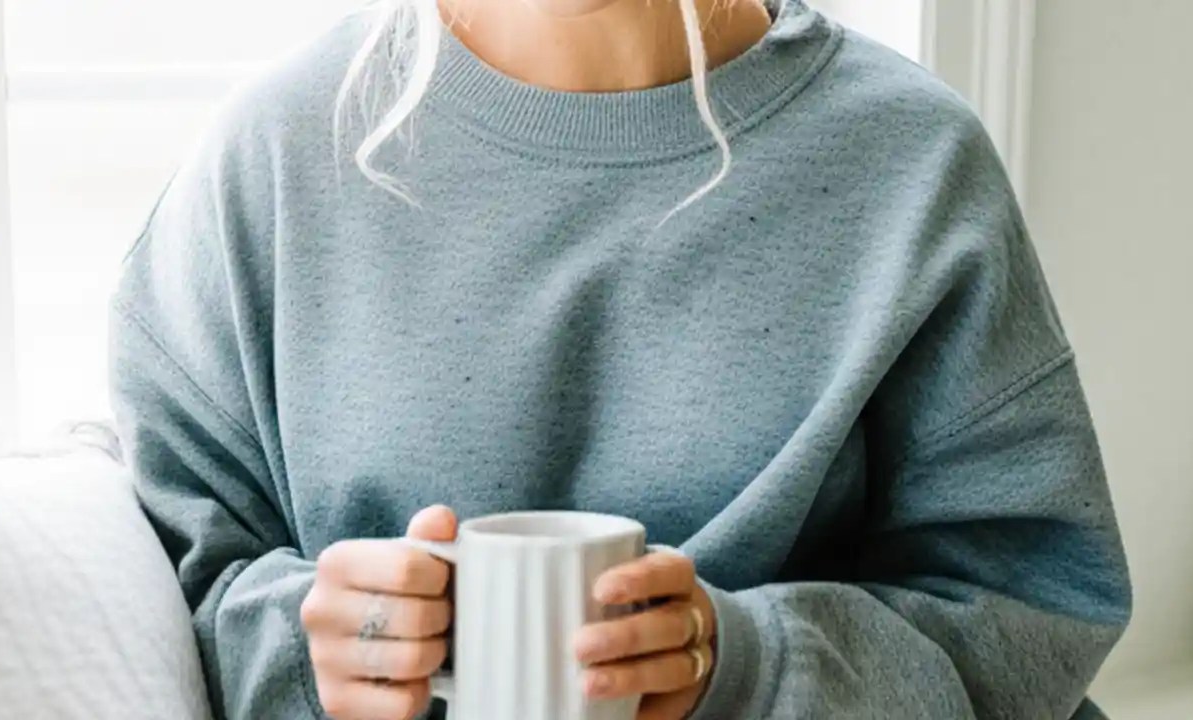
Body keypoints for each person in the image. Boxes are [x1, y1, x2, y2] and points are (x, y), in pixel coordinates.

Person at [108, 0, 1132, 718]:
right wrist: (302, 650)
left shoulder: (911, 161)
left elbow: (1028, 617)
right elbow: (166, 596)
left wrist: (746, 670)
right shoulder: (273, 156)